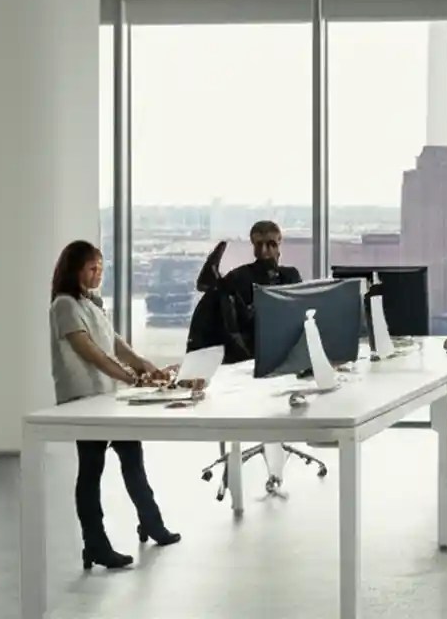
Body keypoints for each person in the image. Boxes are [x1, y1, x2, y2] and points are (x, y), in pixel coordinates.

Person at [49, 240, 180, 571]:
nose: (98, 274)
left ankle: (152, 523)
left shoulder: (91, 304)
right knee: (91, 472)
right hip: (85, 401)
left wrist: (147, 366)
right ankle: (95, 544)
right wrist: (130, 377)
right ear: (74, 270)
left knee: (133, 459)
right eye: (92, 268)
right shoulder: (64, 305)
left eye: (101, 268)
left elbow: (117, 345)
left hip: (108, 399)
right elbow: (88, 350)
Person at [188, 221, 304, 363]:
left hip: (285, 345)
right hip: (250, 348)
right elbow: (207, 285)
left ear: (279, 242)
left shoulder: (290, 275)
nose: (264, 251)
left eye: (271, 244)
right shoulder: (240, 276)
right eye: (259, 245)